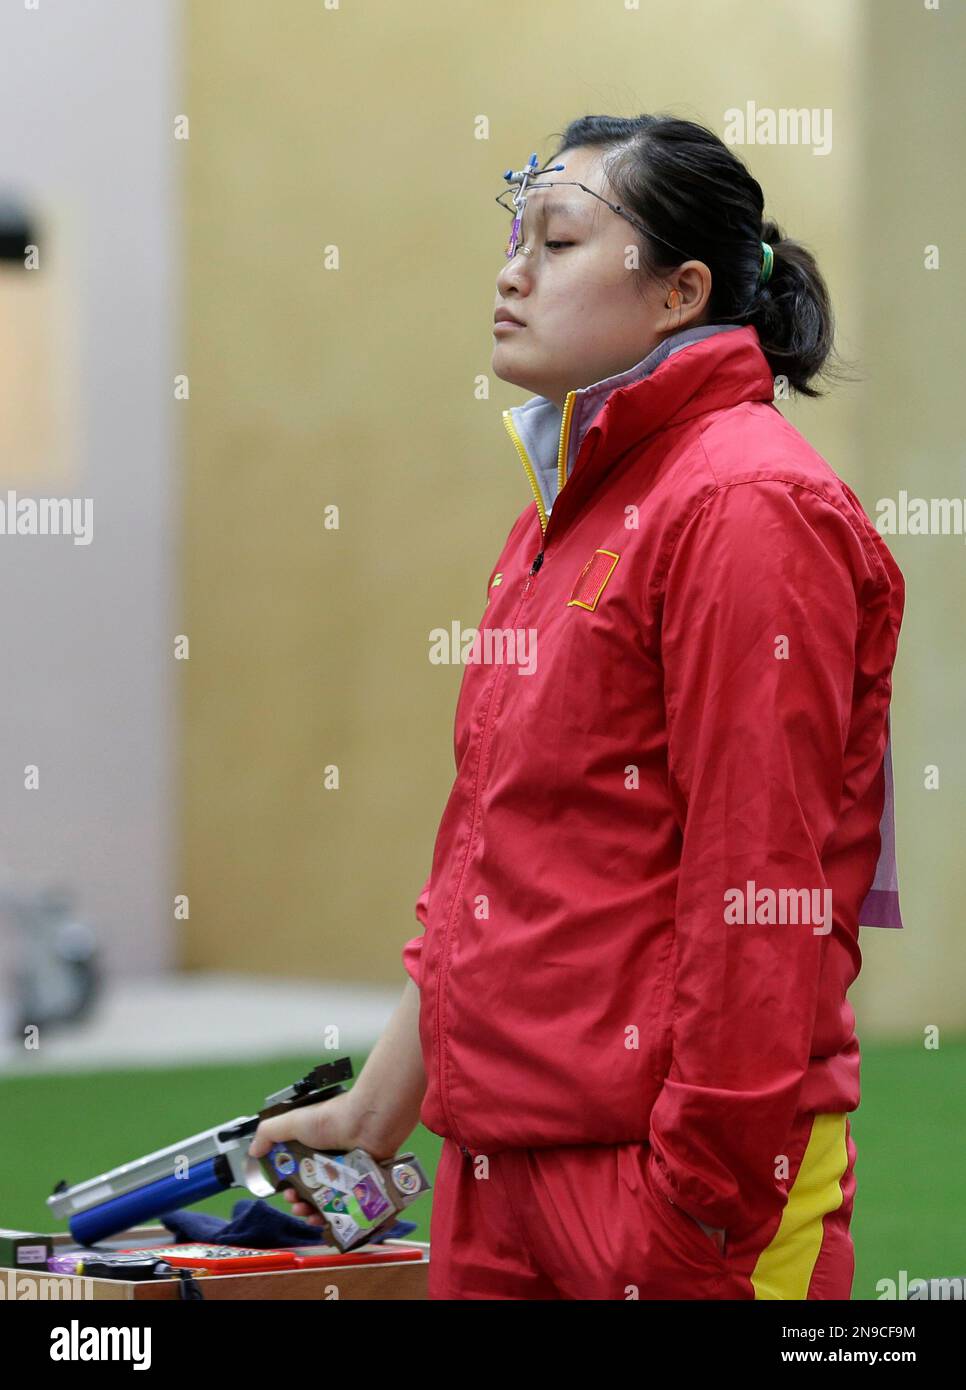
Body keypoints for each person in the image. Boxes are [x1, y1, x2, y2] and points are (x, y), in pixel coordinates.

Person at [249, 113, 905, 1300]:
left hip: (678, 1188)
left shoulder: (751, 503)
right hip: (498, 1177)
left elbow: (756, 885)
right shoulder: (562, 512)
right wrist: (379, 1109)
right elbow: (489, 861)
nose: (510, 272)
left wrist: (701, 1202)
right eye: (512, 239)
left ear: (678, 293)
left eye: (554, 240)